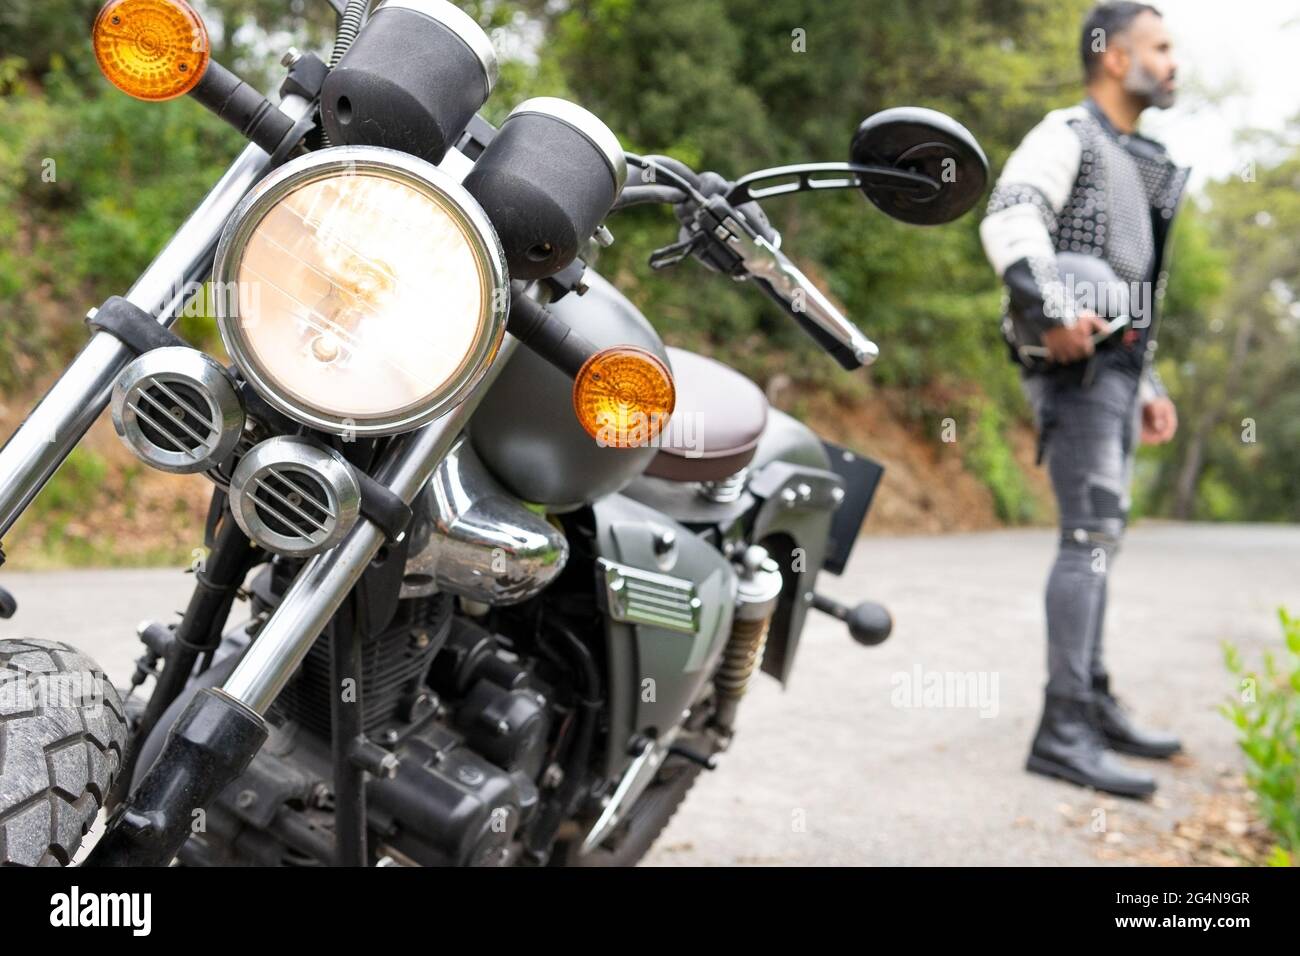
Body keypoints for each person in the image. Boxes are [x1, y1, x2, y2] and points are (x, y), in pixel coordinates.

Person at [979, 2, 1190, 797]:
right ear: (1114, 56)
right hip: (1075, 374)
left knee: (1104, 538)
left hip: (1120, 378)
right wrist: (1051, 309)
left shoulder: (1141, 159)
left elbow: (1135, 290)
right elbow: (1011, 217)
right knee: (1088, 538)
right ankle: (1062, 729)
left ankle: (1091, 701)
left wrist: (1152, 379)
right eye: (1161, 48)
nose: (1173, 63)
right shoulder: (1066, 132)